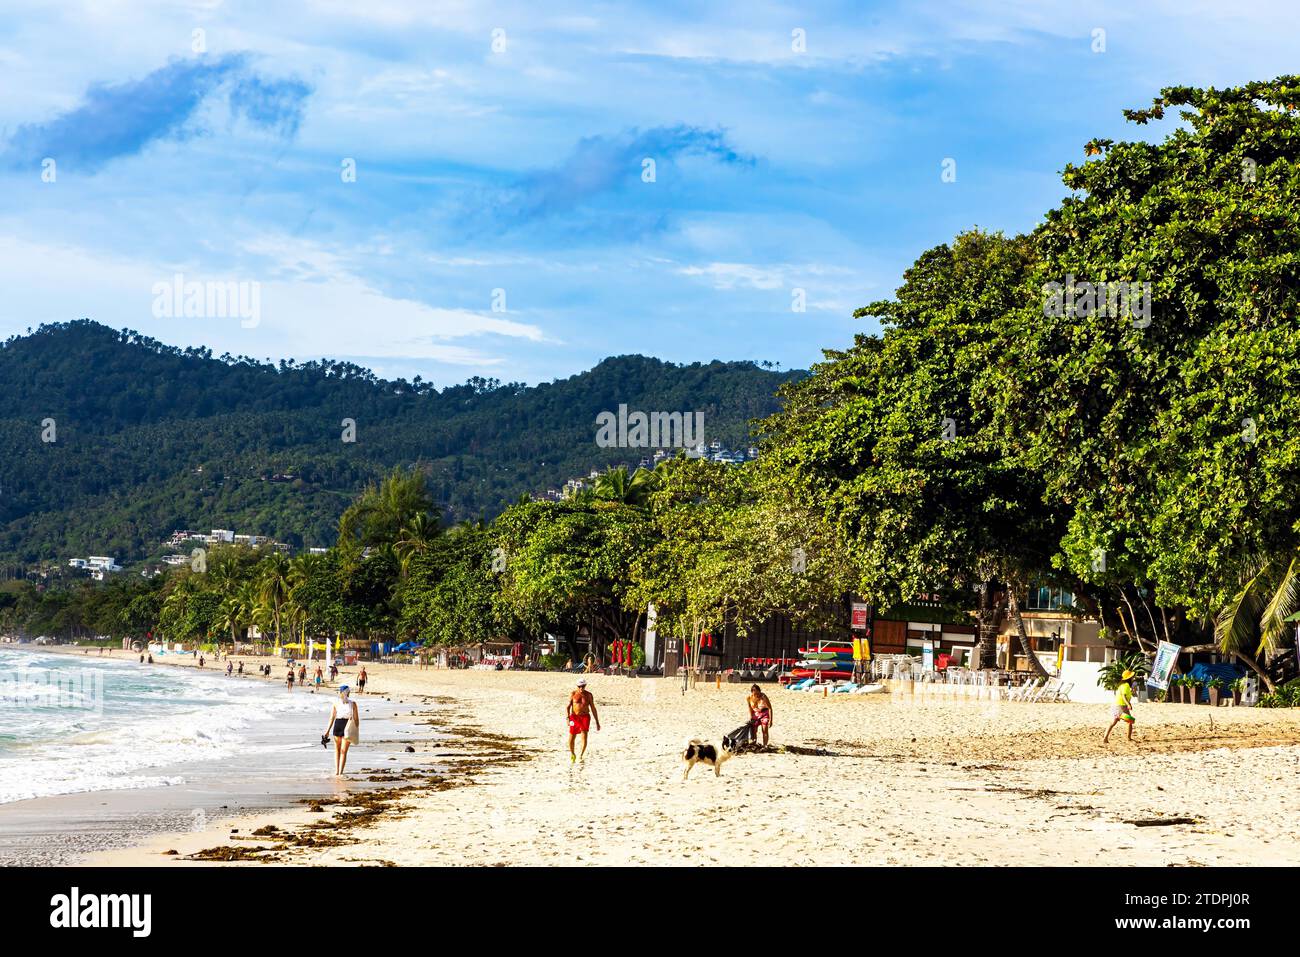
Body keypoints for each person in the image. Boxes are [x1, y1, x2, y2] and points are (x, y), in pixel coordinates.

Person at [322, 685, 360, 775]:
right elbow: (332, 717)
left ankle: (339, 772)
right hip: (339, 725)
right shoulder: (337, 703)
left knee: (342, 750)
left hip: (346, 726)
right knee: (339, 750)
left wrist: (355, 729)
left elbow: (356, 719)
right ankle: (338, 771)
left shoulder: (352, 703)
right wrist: (327, 731)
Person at [566, 677, 600, 763]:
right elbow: (568, 707)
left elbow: (593, 708)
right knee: (571, 737)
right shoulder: (573, 694)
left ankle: (581, 755)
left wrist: (597, 722)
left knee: (584, 736)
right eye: (579, 686)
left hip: (585, 717)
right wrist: (567, 718)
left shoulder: (588, 695)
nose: (581, 688)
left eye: (583, 686)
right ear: (577, 686)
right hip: (574, 717)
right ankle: (573, 754)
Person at [1104, 669, 1137, 744]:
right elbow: (1123, 696)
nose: (1133, 678)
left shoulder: (1123, 685)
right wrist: (1128, 704)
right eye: (1132, 677)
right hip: (1121, 706)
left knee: (1114, 722)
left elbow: (1125, 695)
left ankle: (1105, 737)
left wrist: (1131, 696)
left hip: (1116, 705)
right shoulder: (1126, 685)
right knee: (1130, 721)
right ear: (1129, 678)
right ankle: (1129, 738)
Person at [747, 684, 774, 748]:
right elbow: (750, 707)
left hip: (764, 713)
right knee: (754, 730)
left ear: (760, 691)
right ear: (752, 692)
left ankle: (765, 745)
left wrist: (771, 720)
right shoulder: (749, 698)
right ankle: (754, 743)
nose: (757, 695)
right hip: (756, 714)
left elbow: (770, 708)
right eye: (755, 693)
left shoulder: (763, 696)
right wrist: (751, 716)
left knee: (764, 729)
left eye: (758, 693)